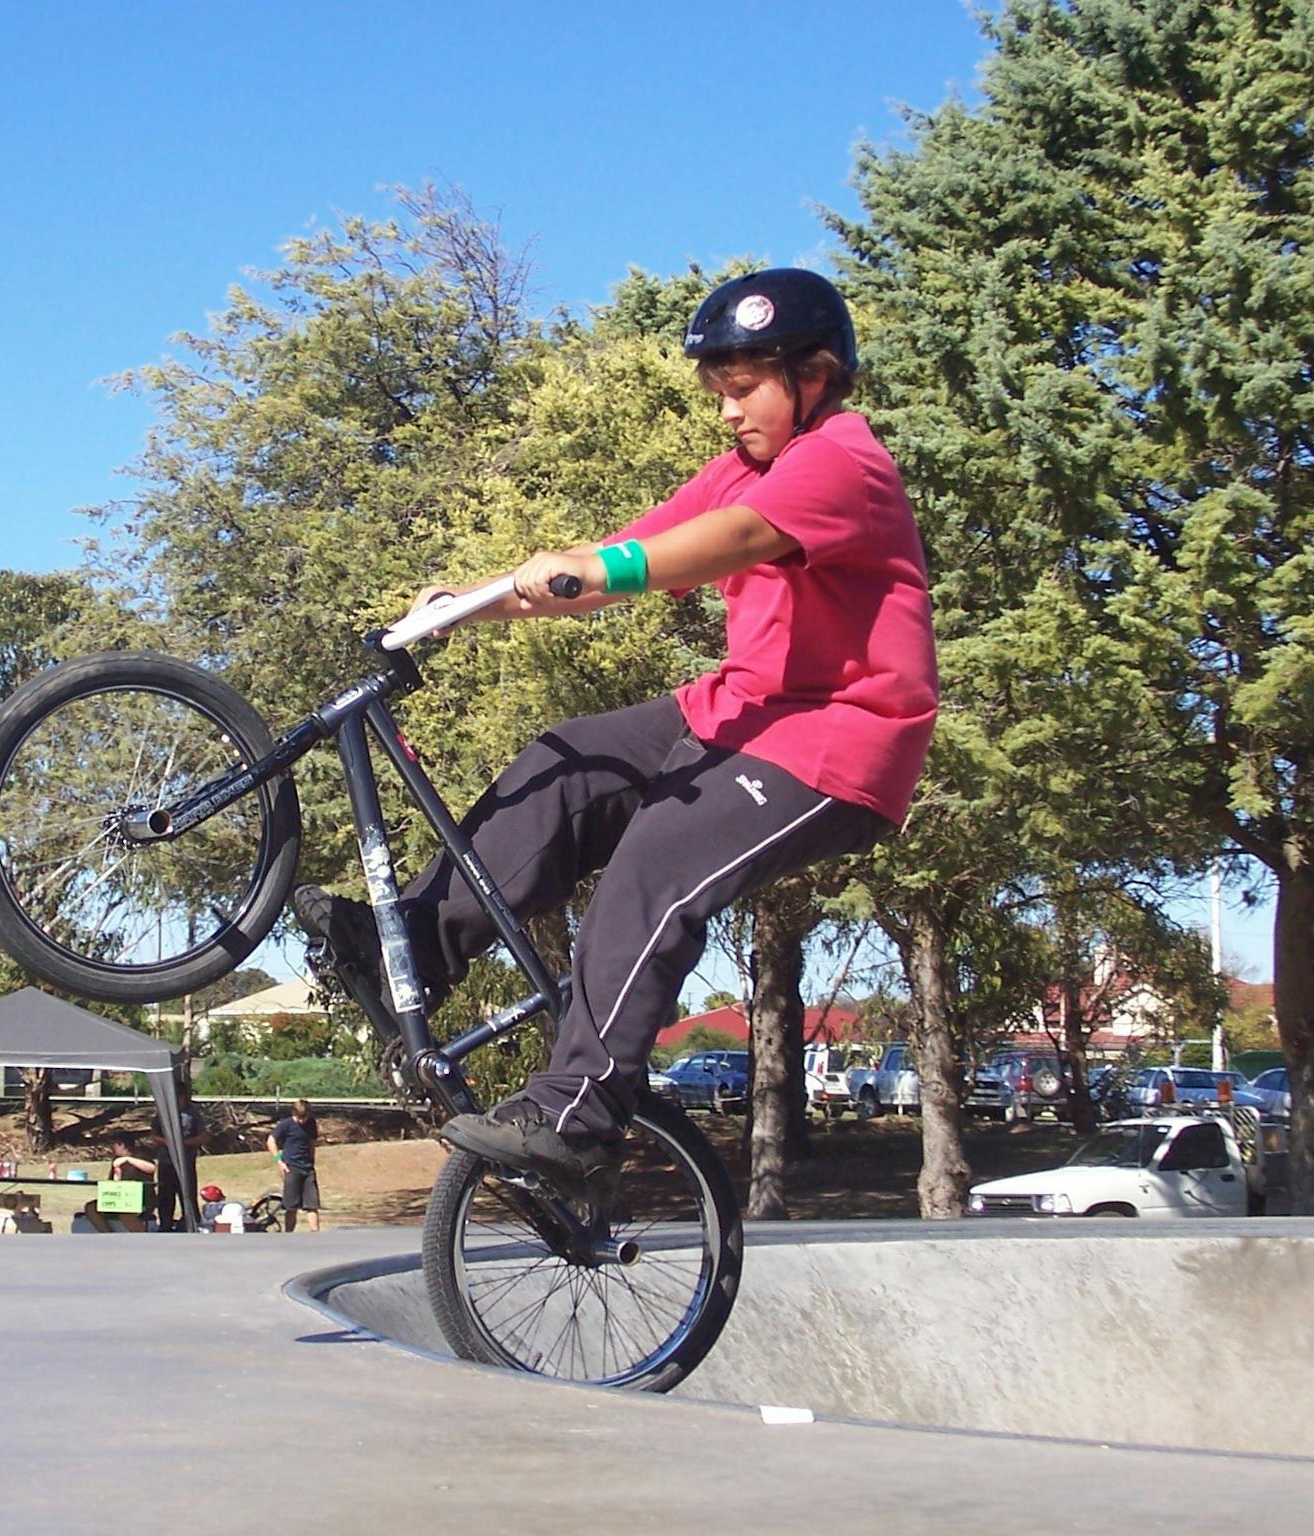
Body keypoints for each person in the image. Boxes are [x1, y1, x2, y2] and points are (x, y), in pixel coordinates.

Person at [296, 269, 937, 1185]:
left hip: (838, 745)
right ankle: (415, 943)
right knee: (569, 761)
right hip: (738, 711)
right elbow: (611, 563)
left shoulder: (842, 461)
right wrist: (468, 603)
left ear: (816, 375)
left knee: (656, 864)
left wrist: (598, 569)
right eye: (718, 393)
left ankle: (581, 1111)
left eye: (743, 389)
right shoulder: (741, 470)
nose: (727, 412)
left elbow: (724, 543)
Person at [83, 1132, 156, 1232]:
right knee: (91, 1207)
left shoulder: (140, 1156)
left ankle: (141, 1236)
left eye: (115, 1144)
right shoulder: (116, 1161)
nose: (113, 1147)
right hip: (118, 1199)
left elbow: (152, 1168)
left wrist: (128, 1159)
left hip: (140, 1200)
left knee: (125, 1213)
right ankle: (107, 1234)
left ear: (122, 1145)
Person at [154, 1083, 202, 1233]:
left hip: (185, 1161)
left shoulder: (193, 1113)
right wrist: (169, 1142)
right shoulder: (163, 1112)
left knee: (187, 1194)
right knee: (165, 1195)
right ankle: (165, 1225)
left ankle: (190, 1223)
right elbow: (154, 1135)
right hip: (166, 1161)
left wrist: (184, 1143)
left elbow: (204, 1136)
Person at [267, 1099, 320, 1233]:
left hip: (307, 1168)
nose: (301, 1121)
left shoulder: (311, 1124)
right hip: (291, 1167)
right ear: (293, 1113)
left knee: (312, 1205)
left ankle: (315, 1233)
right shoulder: (286, 1125)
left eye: (304, 1117)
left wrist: (312, 1161)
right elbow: (271, 1140)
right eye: (298, 1117)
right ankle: (289, 1234)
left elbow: (312, 1143)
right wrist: (279, 1161)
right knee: (291, 1206)